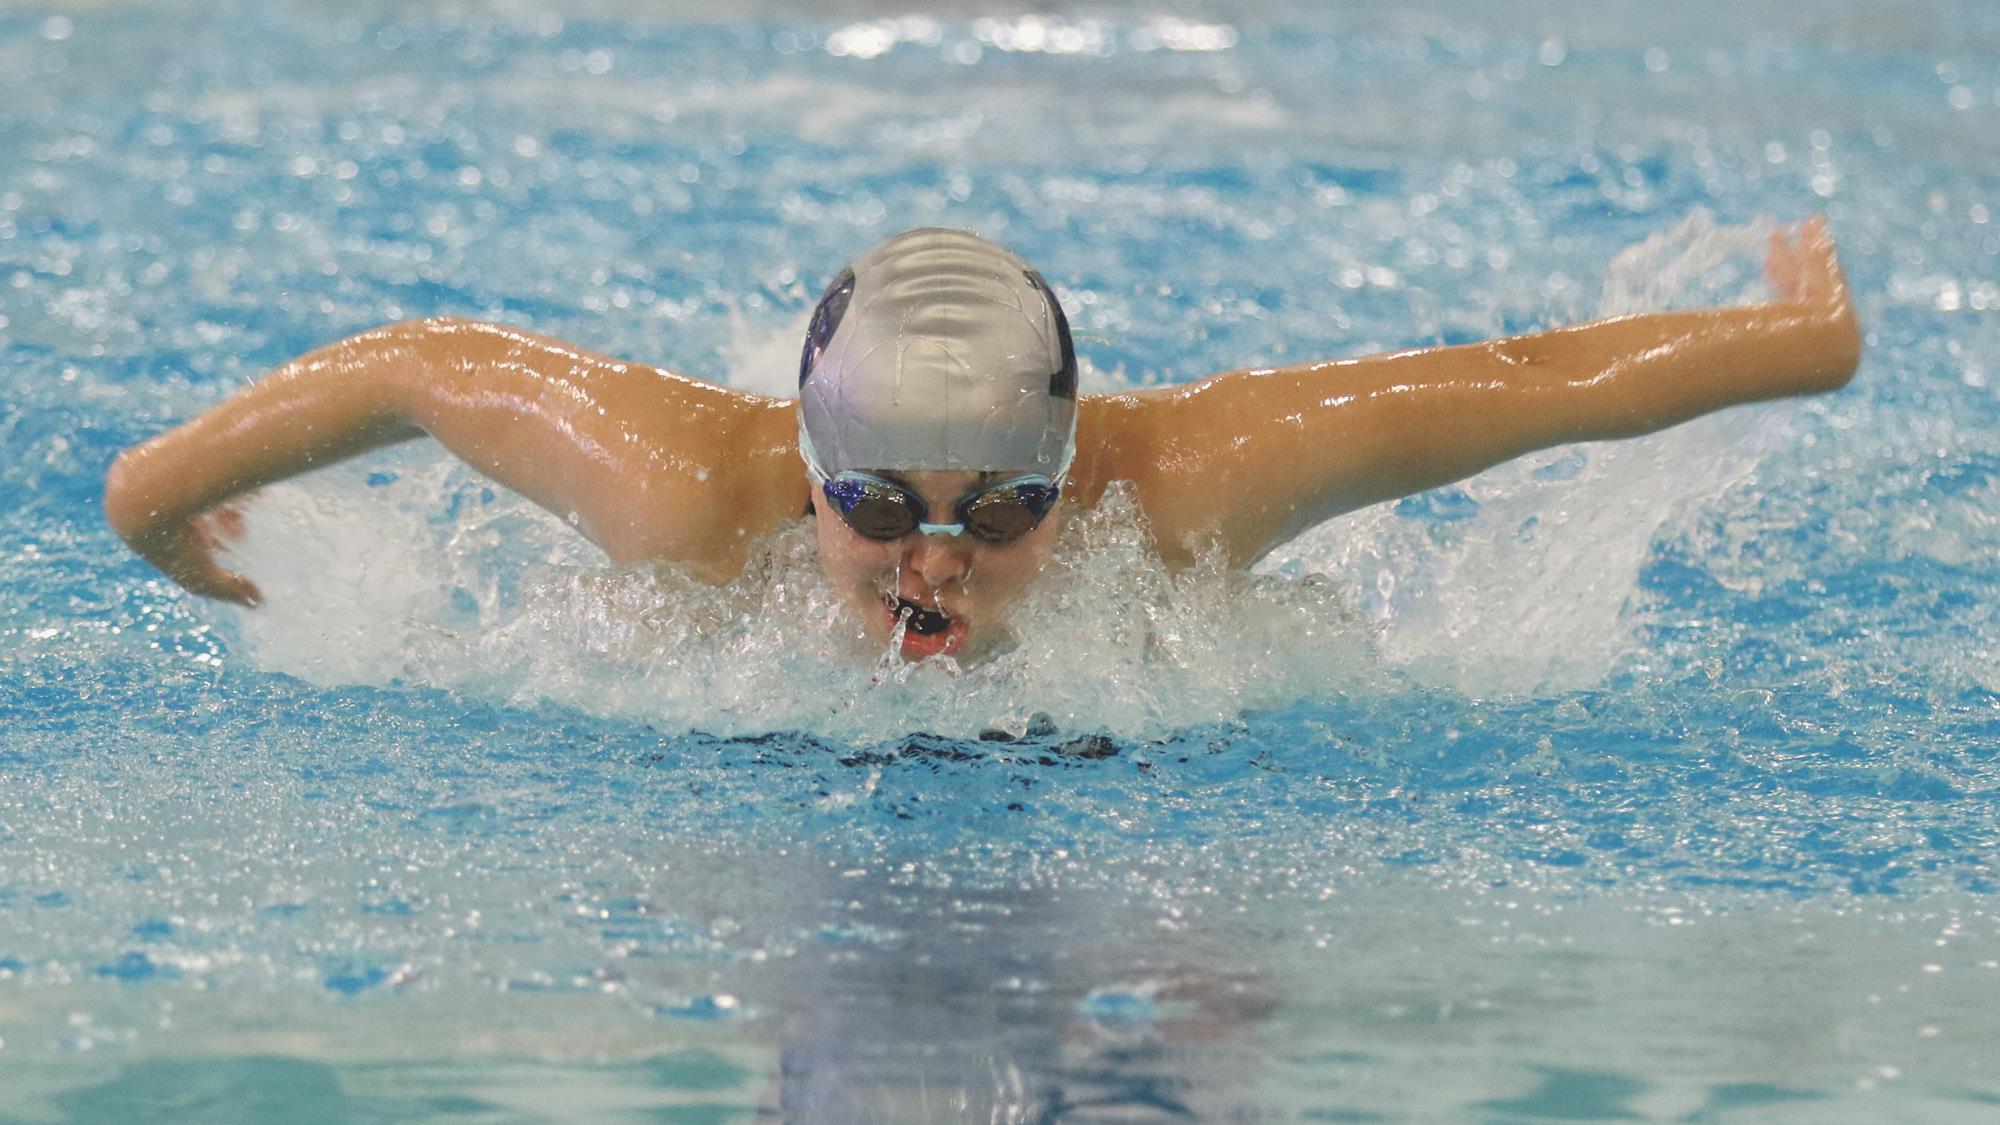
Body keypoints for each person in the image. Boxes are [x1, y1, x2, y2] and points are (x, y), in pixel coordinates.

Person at [104, 221, 1861, 661]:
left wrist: (1795, 339)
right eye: (874, 503)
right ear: (806, 468)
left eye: (1002, 509)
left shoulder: (1185, 486)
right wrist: (155, 499)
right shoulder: (680, 493)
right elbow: (424, 363)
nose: (930, 560)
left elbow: (1532, 380)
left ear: (1072, 468)